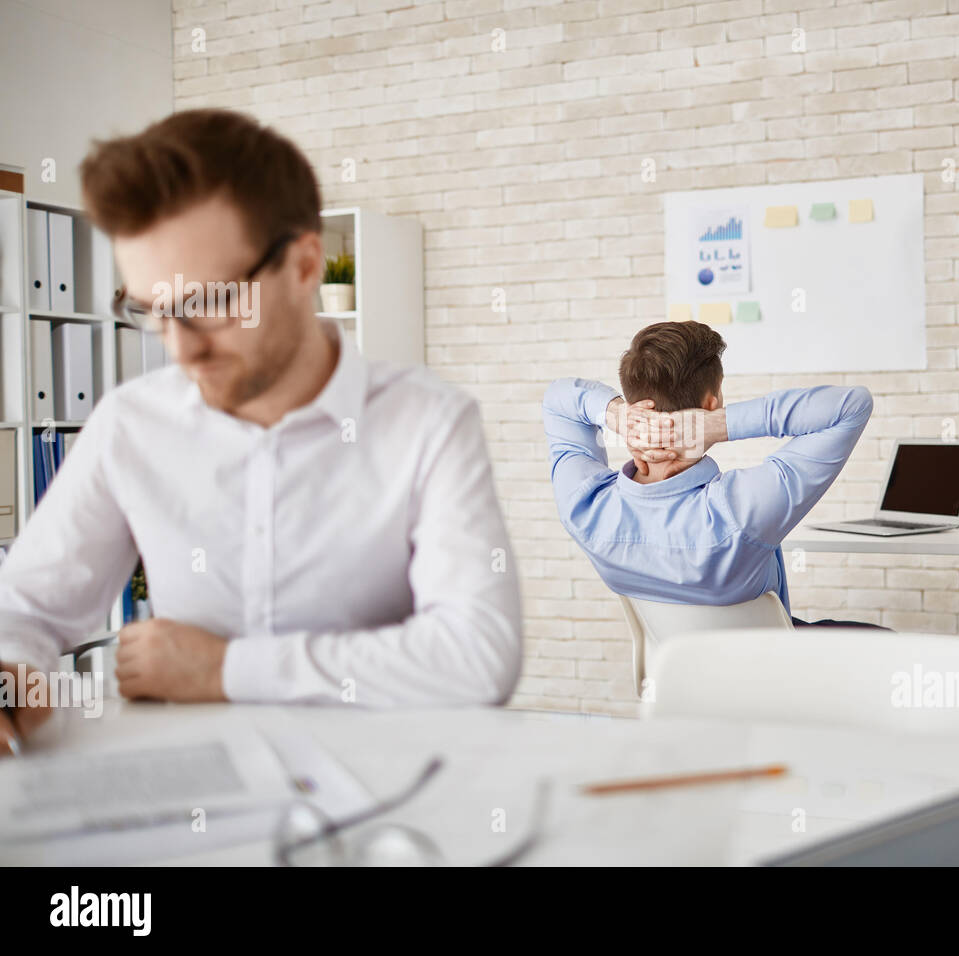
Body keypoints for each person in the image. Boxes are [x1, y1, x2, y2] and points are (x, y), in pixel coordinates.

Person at [0, 109, 521, 756]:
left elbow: (478, 654)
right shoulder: (131, 424)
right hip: (194, 812)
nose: (181, 349)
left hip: (387, 798)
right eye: (154, 311)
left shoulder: (429, 422)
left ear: (305, 266)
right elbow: (23, 609)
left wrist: (224, 669)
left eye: (210, 302)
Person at [543, 319, 877, 625]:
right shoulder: (738, 511)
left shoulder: (585, 508)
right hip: (773, 670)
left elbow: (559, 399)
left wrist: (615, 414)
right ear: (710, 403)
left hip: (678, 673)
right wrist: (720, 426)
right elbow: (850, 406)